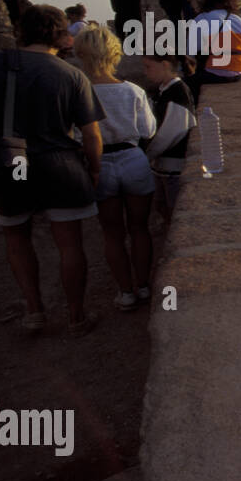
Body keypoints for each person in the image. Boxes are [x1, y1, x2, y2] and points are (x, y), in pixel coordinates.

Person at [0, 5, 103, 336]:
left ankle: (34, 313)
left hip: (11, 166)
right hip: (59, 166)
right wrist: (94, 171)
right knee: (69, 244)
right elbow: (91, 134)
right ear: (59, 33)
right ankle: (76, 317)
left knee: (16, 238)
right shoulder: (71, 75)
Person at [76, 26, 157, 311]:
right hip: (133, 159)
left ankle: (125, 292)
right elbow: (148, 130)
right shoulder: (133, 91)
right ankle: (144, 285)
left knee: (112, 233)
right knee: (139, 228)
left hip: (101, 163)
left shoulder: (80, 93)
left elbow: (77, 136)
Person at [139, 53, 196, 222]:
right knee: (163, 209)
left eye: (148, 67)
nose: (145, 72)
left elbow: (168, 134)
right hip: (162, 167)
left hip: (173, 167)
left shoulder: (177, 93)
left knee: (174, 214)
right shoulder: (163, 91)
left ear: (164, 65)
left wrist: (145, 156)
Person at [183, 0, 241, 103]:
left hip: (213, 73)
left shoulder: (201, 19)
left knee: (185, 86)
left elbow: (190, 53)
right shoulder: (239, 21)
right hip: (238, 73)